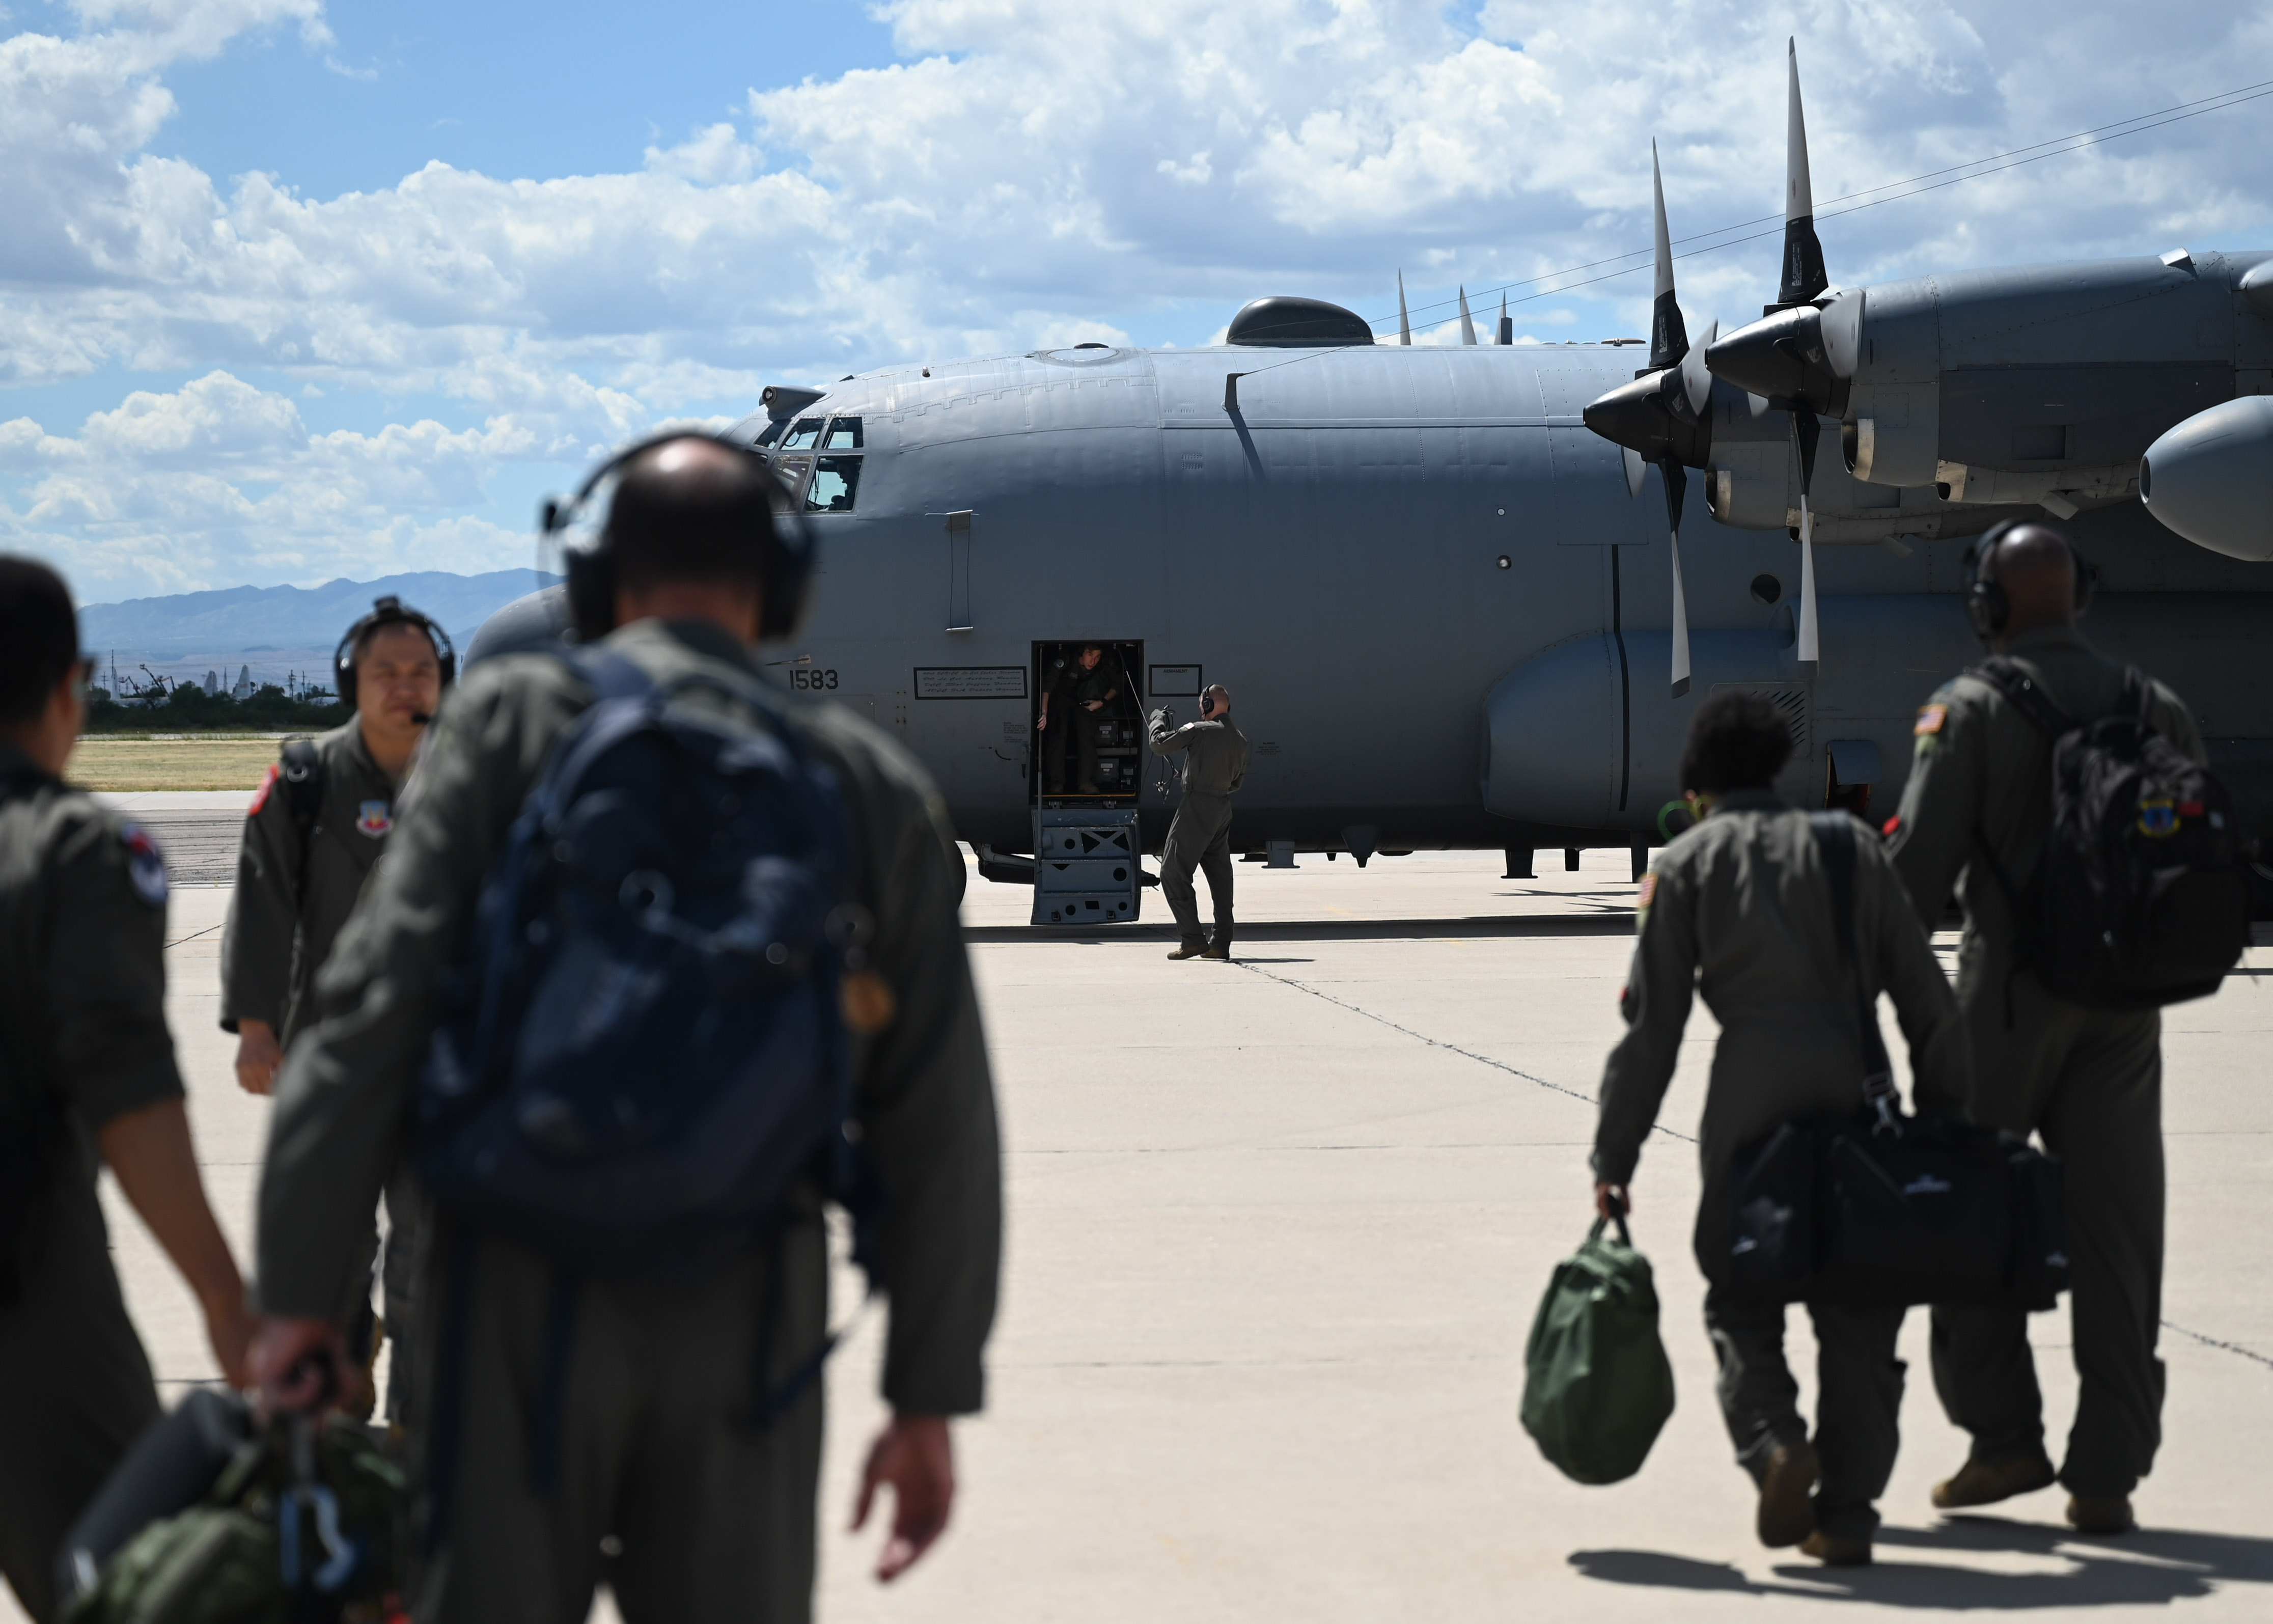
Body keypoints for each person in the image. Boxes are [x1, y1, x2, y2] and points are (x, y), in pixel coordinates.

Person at [247, 435, 1002, 1623]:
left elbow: (363, 1016)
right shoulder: (861, 779)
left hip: (511, 1287)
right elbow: (940, 1116)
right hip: (747, 1301)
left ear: (596, 582)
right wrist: (927, 1392)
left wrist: (299, 1303)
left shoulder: (505, 726)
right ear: (789, 585)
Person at [1591, 690, 1970, 1566]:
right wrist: (1946, 1120)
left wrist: (1615, 1155)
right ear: (1771, 768)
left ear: (1696, 784)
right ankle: (1844, 1513)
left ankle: (1770, 1439)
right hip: (1855, 1086)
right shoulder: (1851, 849)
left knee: (1739, 1290)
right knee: (1861, 1306)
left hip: (1747, 1094)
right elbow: (1927, 1001)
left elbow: (1651, 1031)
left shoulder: (1684, 861)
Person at [1885, 520, 2201, 1536]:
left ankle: (2004, 1438)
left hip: (2006, 1005)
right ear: (2083, 596)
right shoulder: (2157, 706)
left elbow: (1918, 882)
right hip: (2126, 1010)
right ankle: (2106, 1470)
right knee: (2119, 1242)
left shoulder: (1967, 711)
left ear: (1987, 607)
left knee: (1969, 1221)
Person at [0, 556, 253, 1624]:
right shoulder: (77, 849)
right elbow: (129, 1095)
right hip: (25, 1283)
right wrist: (225, 1301)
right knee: (123, 1585)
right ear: (72, 688)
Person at [220, 595, 449, 1420]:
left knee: (427, 1256)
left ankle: (418, 1430)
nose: (402, 686)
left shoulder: (466, 783)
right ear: (350, 681)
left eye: (419, 670)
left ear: (443, 678)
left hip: (437, 1061)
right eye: (384, 672)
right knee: (338, 1255)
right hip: (330, 1062)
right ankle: (343, 1420)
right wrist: (255, 1026)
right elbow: (260, 905)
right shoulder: (303, 781)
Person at [1147, 684, 1248, 962]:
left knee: (1171, 872)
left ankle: (1192, 939)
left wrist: (1157, 721)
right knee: (1220, 878)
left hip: (1197, 808)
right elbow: (1237, 783)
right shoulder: (1240, 740)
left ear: (1206, 704)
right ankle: (1220, 943)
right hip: (1222, 808)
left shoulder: (1199, 729)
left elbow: (1159, 745)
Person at [1037, 644, 1119, 794]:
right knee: (1058, 738)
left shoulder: (1102, 664)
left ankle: (1086, 782)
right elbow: (1048, 684)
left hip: (1085, 702)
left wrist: (1101, 703)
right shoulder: (1067, 658)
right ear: (1082, 652)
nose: (1093, 661)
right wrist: (1044, 712)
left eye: (1097, 657)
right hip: (1060, 700)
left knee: (1086, 738)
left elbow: (1118, 684)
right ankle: (1056, 783)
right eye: (1090, 655)